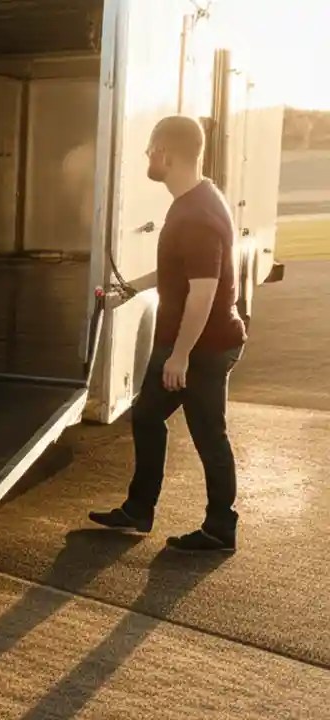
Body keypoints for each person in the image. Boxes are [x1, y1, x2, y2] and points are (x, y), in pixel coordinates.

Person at [89, 115, 247, 552]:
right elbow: (180, 270)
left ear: (169, 154)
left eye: (151, 148)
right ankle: (139, 510)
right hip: (190, 342)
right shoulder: (194, 198)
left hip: (203, 346)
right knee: (146, 416)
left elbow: (203, 293)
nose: (147, 156)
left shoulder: (196, 215)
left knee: (208, 434)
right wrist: (131, 289)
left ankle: (220, 528)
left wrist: (180, 356)